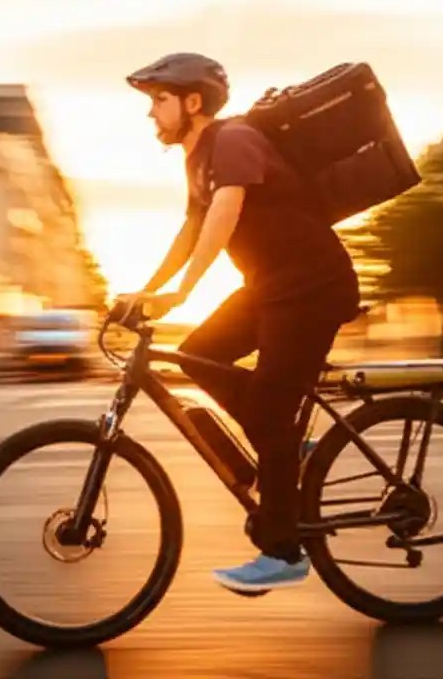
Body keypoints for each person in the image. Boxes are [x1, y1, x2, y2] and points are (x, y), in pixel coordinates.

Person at [118, 52, 362, 592]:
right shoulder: (197, 158)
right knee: (198, 354)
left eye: (160, 100)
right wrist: (150, 290)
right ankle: (288, 448)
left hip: (312, 288)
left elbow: (224, 216)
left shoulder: (233, 140)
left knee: (268, 411)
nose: (152, 112)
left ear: (193, 101)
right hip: (270, 290)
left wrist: (181, 293)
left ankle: (284, 551)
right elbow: (191, 229)